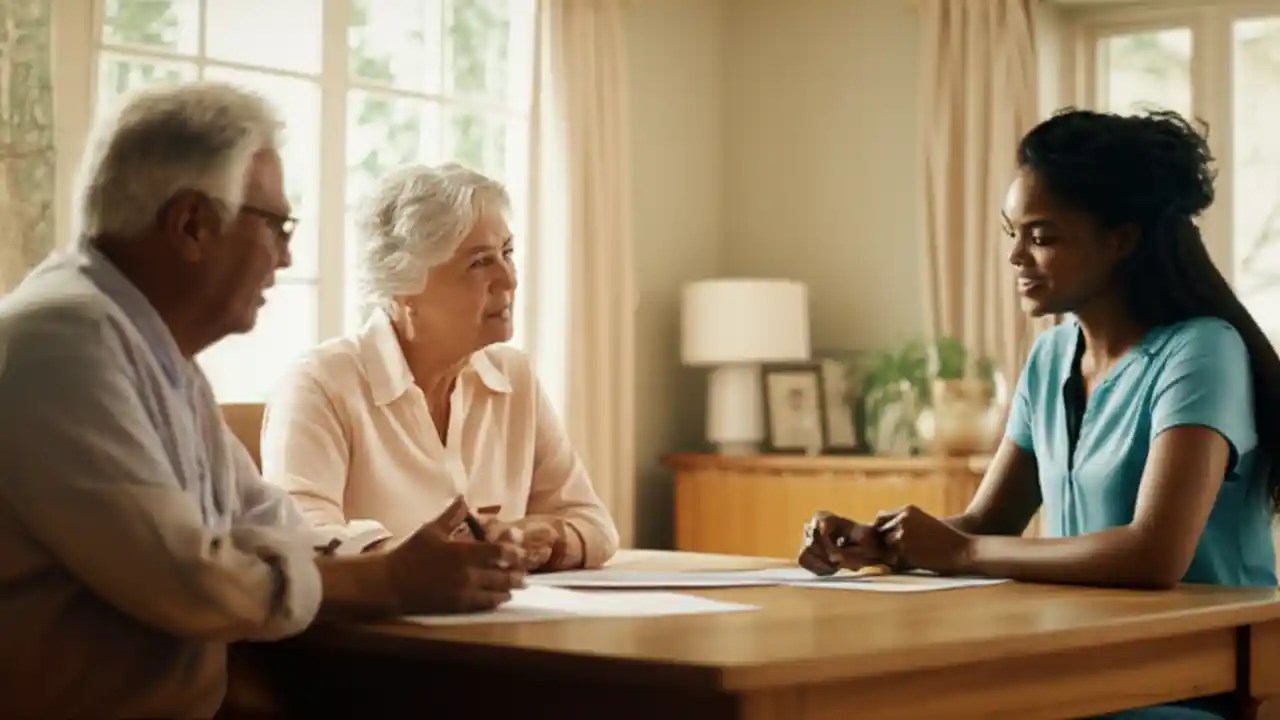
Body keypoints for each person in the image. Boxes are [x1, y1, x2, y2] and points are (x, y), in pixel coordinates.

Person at [0, 82, 525, 719]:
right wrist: (390, 579)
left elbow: (267, 522)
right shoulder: (62, 341)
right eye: (275, 224)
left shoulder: (154, 352)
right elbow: (190, 580)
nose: (287, 255)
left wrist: (414, 558)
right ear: (191, 223)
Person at [801, 109, 1280, 717]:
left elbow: (1154, 555)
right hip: (1082, 660)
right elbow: (986, 522)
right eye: (1012, 233)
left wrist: (959, 553)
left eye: (1043, 236)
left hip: (1196, 678)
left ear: (1121, 239)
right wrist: (882, 543)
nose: (1017, 257)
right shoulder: (1051, 356)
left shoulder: (1201, 351)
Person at [260, 162, 619, 572]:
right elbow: (303, 538)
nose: (509, 279)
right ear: (403, 286)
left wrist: (543, 539)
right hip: (374, 634)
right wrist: (423, 562)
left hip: (501, 627)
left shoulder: (515, 378)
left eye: (507, 253)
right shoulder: (320, 384)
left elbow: (594, 523)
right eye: (480, 262)